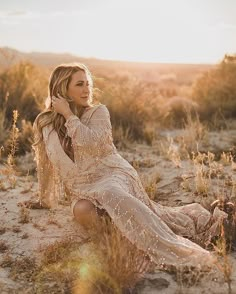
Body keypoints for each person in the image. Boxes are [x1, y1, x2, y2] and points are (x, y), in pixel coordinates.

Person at [22, 62, 228, 270]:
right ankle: (121, 229)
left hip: (112, 174)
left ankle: (157, 244)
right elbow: (45, 163)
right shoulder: (44, 122)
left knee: (111, 192)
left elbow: (92, 143)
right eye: (79, 84)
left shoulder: (98, 112)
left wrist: (69, 115)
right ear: (62, 88)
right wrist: (44, 199)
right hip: (82, 187)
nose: (86, 89)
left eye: (87, 84)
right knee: (83, 211)